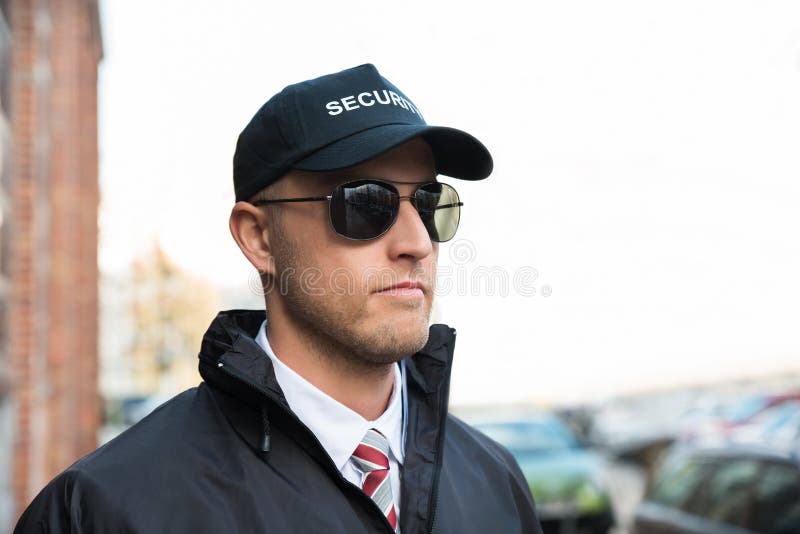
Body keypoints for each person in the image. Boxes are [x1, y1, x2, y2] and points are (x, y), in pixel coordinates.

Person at [15, 64, 541, 533]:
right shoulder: (107, 509)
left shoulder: (496, 481)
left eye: (430, 203)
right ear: (259, 238)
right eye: (365, 203)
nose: (418, 242)